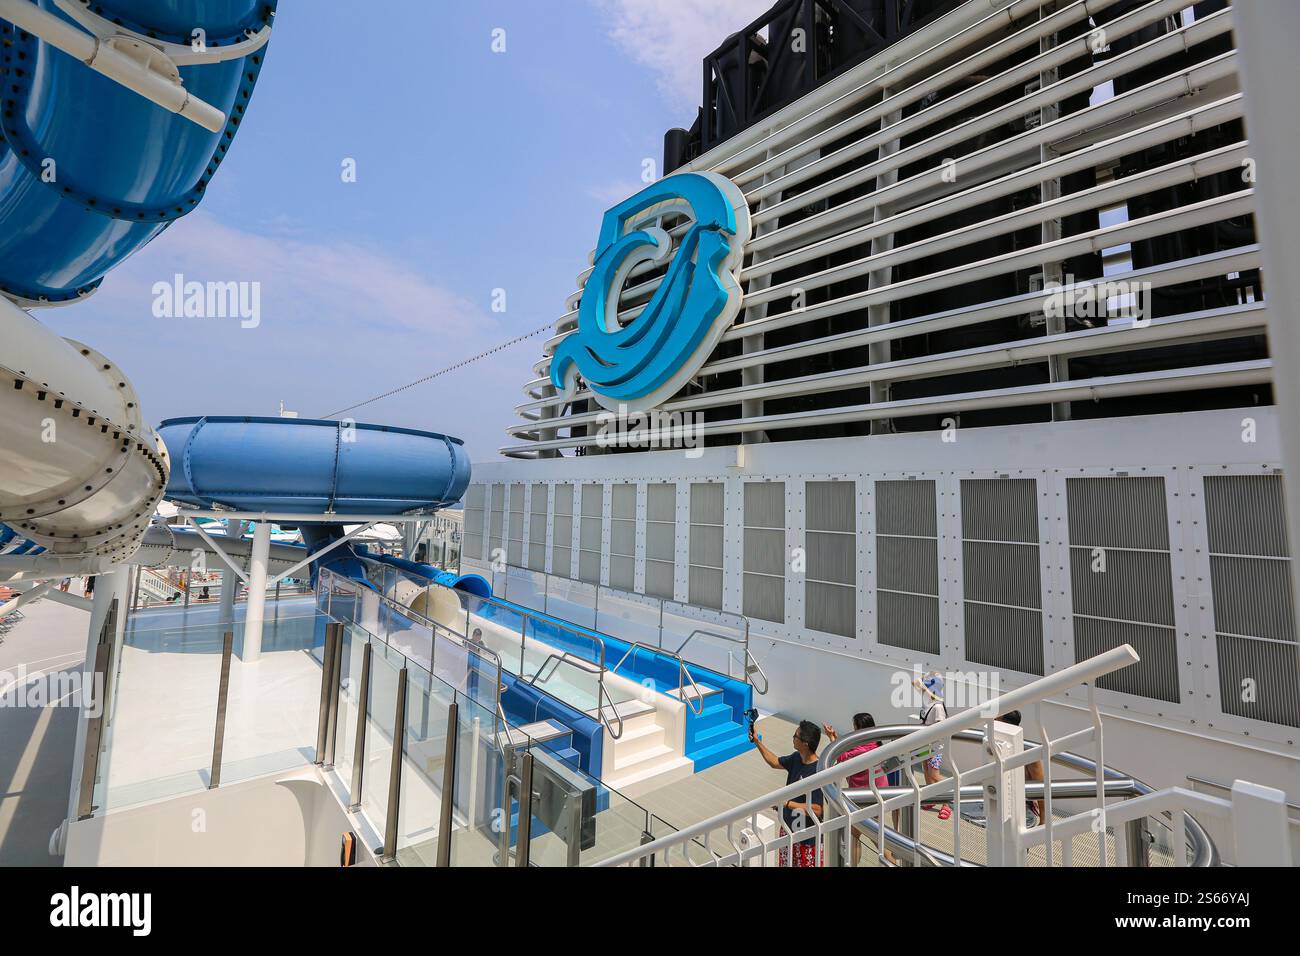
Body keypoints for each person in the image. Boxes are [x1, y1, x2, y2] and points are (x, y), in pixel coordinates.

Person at [824, 713, 896, 865]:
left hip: (865, 798)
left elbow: (843, 758)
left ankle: (891, 862)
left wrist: (831, 738)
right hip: (877, 794)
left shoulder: (862, 751)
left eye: (855, 728)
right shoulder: (876, 744)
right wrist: (835, 737)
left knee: (866, 834)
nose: (854, 731)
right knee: (862, 833)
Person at [751, 718, 824, 866]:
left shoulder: (818, 772)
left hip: (806, 839)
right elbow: (775, 762)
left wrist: (787, 804)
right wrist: (757, 742)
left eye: (795, 736)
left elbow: (817, 810)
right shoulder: (796, 758)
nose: (793, 738)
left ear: (805, 743)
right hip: (787, 830)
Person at [914, 673, 952, 821]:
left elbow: (940, 728)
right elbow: (914, 682)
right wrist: (926, 678)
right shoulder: (928, 701)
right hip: (924, 743)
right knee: (926, 770)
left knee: (934, 774)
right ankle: (932, 797)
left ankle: (947, 802)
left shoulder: (937, 707)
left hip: (934, 745)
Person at [997, 710, 1044, 822]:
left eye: (995, 721)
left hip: (1022, 808)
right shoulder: (995, 745)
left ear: (1005, 725)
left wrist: (1043, 821)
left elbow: (1041, 788)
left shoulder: (1027, 752)